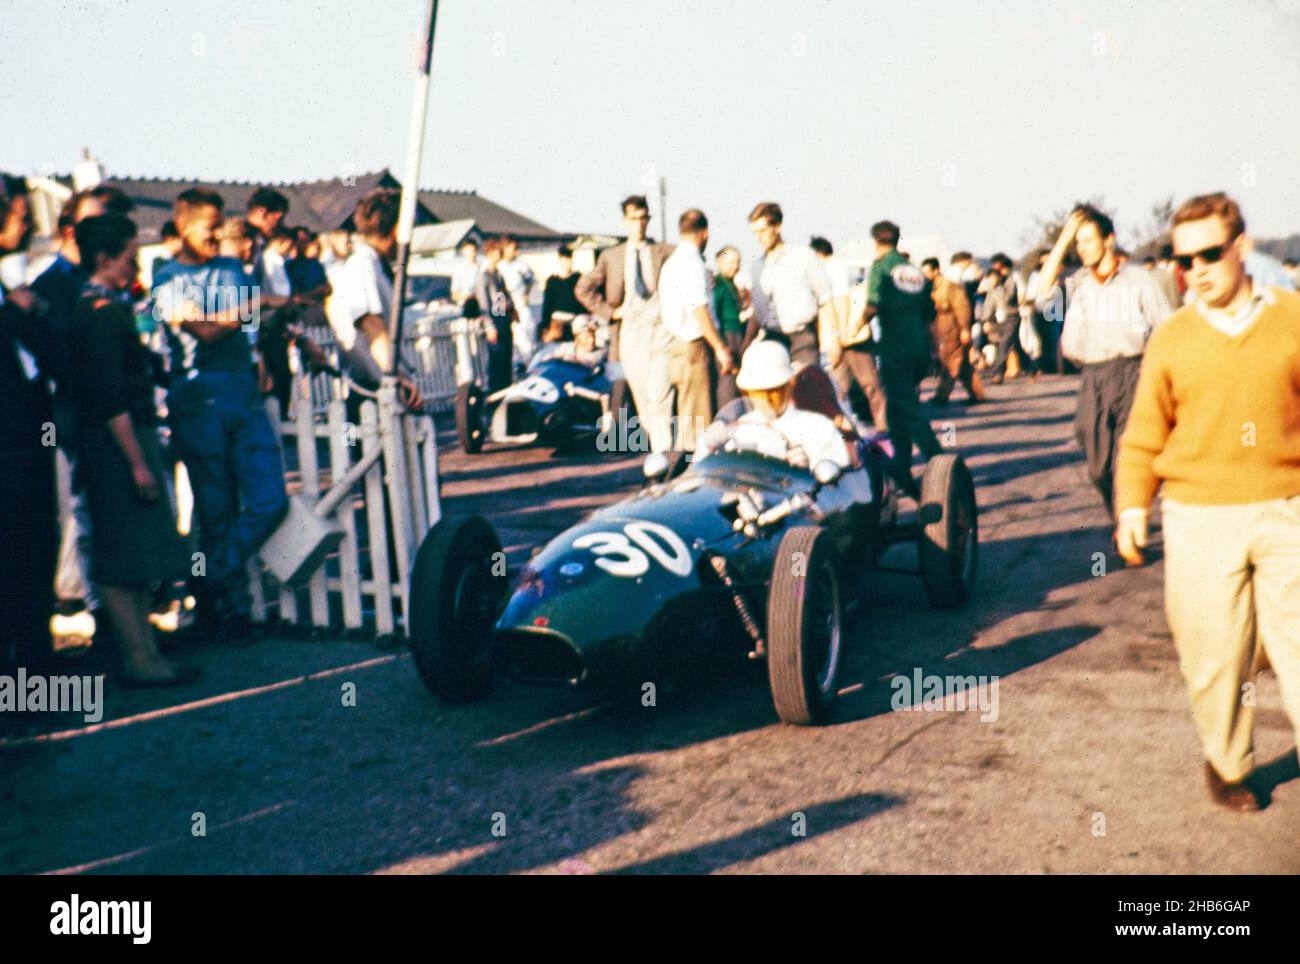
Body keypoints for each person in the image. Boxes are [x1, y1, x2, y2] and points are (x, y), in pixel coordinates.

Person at [1114, 192, 1300, 812]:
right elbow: (1144, 434)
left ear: (1241, 247)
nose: (1195, 270)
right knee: (1216, 653)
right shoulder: (1172, 339)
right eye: (1181, 259)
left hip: (1287, 508)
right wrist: (1132, 507)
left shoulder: (1292, 319)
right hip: (1198, 518)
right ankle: (1228, 765)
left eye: (1209, 254)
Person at [152, 187, 289, 644]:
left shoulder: (233, 269)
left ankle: (207, 578)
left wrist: (263, 355)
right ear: (185, 227)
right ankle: (229, 611)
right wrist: (257, 305)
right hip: (198, 403)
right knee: (216, 513)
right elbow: (205, 331)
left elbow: (250, 331)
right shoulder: (165, 278)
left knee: (271, 501)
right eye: (209, 226)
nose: (218, 234)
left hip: (244, 395)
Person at [67, 215, 197, 685]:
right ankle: (138, 659)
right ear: (103, 259)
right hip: (118, 445)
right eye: (127, 256)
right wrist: (138, 463)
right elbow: (109, 398)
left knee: (138, 553)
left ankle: (146, 652)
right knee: (122, 557)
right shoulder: (99, 315)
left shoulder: (105, 307)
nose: (133, 265)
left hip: (121, 443)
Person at [1035, 203, 1174, 517]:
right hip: (1092, 377)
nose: (1081, 249)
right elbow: (1041, 293)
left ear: (1109, 239)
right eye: (1077, 243)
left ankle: (1129, 520)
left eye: (1087, 240)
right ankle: (1121, 518)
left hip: (1132, 372)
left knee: (1127, 456)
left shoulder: (1139, 280)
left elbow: (1165, 329)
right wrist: (1063, 239)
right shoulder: (1077, 283)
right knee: (1097, 468)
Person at [0, 187, 57, 674]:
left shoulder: (10, 285)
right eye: (10, 212)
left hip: (29, 440)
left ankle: (36, 668)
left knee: (35, 551)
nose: (20, 221)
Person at [575, 194, 675, 452]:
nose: (639, 224)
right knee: (638, 397)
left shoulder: (662, 252)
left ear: (648, 220)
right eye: (633, 219)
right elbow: (583, 288)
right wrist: (609, 311)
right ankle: (655, 451)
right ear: (624, 221)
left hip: (659, 329)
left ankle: (663, 453)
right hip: (629, 332)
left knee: (660, 394)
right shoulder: (612, 256)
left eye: (643, 219)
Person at [325, 188, 424, 416]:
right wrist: (396, 376)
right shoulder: (362, 265)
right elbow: (370, 324)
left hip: (381, 390)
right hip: (372, 393)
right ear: (399, 229)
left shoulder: (375, 264)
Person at [862, 220, 942, 496]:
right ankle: (902, 469)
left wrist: (854, 326)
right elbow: (930, 316)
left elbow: (872, 304)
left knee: (905, 407)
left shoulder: (880, 267)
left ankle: (938, 458)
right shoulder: (916, 272)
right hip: (918, 349)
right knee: (897, 410)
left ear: (876, 242)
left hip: (894, 349)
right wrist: (936, 350)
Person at [697, 339, 849, 471]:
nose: (767, 399)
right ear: (746, 392)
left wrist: (812, 464)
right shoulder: (740, 427)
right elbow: (702, 467)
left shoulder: (816, 426)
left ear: (789, 385)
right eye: (758, 392)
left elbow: (839, 465)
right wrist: (707, 444)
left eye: (773, 390)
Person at [657, 208, 734, 453]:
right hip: (693, 347)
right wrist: (720, 348)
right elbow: (699, 312)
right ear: (704, 233)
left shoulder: (673, 263)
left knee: (689, 420)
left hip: (677, 347)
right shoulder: (691, 263)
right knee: (697, 428)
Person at [747, 201, 834, 367]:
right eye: (755, 233)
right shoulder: (757, 267)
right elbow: (757, 314)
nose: (759, 237)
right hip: (773, 342)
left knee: (805, 389)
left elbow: (825, 299)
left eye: (763, 231)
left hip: (802, 339)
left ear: (777, 226)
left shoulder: (803, 256)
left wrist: (833, 340)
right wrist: (745, 345)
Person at [921, 257, 983, 404]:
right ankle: (977, 394)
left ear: (936, 270)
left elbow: (962, 308)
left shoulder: (950, 286)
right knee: (962, 363)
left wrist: (964, 329)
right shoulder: (930, 287)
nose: (925, 276)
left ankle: (942, 395)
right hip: (939, 328)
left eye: (927, 272)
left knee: (951, 361)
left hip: (953, 326)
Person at [981, 253, 1033, 383]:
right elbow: (989, 303)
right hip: (1001, 319)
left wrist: (996, 286)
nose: (995, 267)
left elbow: (1008, 299)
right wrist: (986, 320)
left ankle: (997, 374)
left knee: (1005, 344)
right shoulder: (995, 282)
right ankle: (1033, 367)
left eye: (997, 265)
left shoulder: (1012, 280)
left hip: (1012, 316)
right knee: (1014, 346)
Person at [474, 236, 516, 394]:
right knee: (496, 365)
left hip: (504, 323)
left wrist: (509, 306)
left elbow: (503, 300)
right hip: (495, 326)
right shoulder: (484, 277)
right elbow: (484, 305)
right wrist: (490, 326)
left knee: (506, 363)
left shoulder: (498, 275)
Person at [711, 245, 750, 408]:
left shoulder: (734, 284)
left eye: (738, 262)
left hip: (738, 335)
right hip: (727, 335)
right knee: (727, 384)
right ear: (720, 262)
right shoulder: (718, 285)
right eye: (731, 262)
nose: (736, 266)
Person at [499, 236, 536, 365]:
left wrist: (526, 294)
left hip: (520, 304)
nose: (515, 251)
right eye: (513, 248)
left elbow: (531, 280)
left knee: (528, 336)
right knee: (515, 339)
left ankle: (529, 365)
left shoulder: (521, 265)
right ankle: (515, 367)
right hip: (507, 306)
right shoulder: (499, 266)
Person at [540, 244, 585, 342]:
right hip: (557, 324)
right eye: (564, 259)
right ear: (560, 259)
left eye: (569, 258)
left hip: (575, 322)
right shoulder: (552, 281)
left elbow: (583, 301)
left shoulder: (578, 278)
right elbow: (547, 305)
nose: (567, 262)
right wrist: (545, 326)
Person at [450, 238, 483, 318]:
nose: (472, 254)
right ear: (463, 252)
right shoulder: (459, 270)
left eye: (473, 250)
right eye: (468, 251)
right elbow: (454, 295)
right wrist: (467, 296)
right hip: (467, 308)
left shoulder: (483, 267)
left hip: (484, 307)